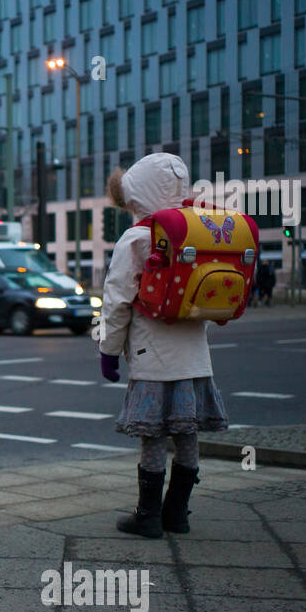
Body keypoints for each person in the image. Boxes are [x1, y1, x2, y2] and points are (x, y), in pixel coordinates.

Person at [98, 152, 229, 538]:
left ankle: (148, 515)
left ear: (136, 195)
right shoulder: (201, 232)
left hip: (152, 358)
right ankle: (179, 513)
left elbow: (117, 301)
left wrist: (107, 351)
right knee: (188, 436)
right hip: (195, 359)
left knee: (153, 437)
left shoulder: (137, 239)